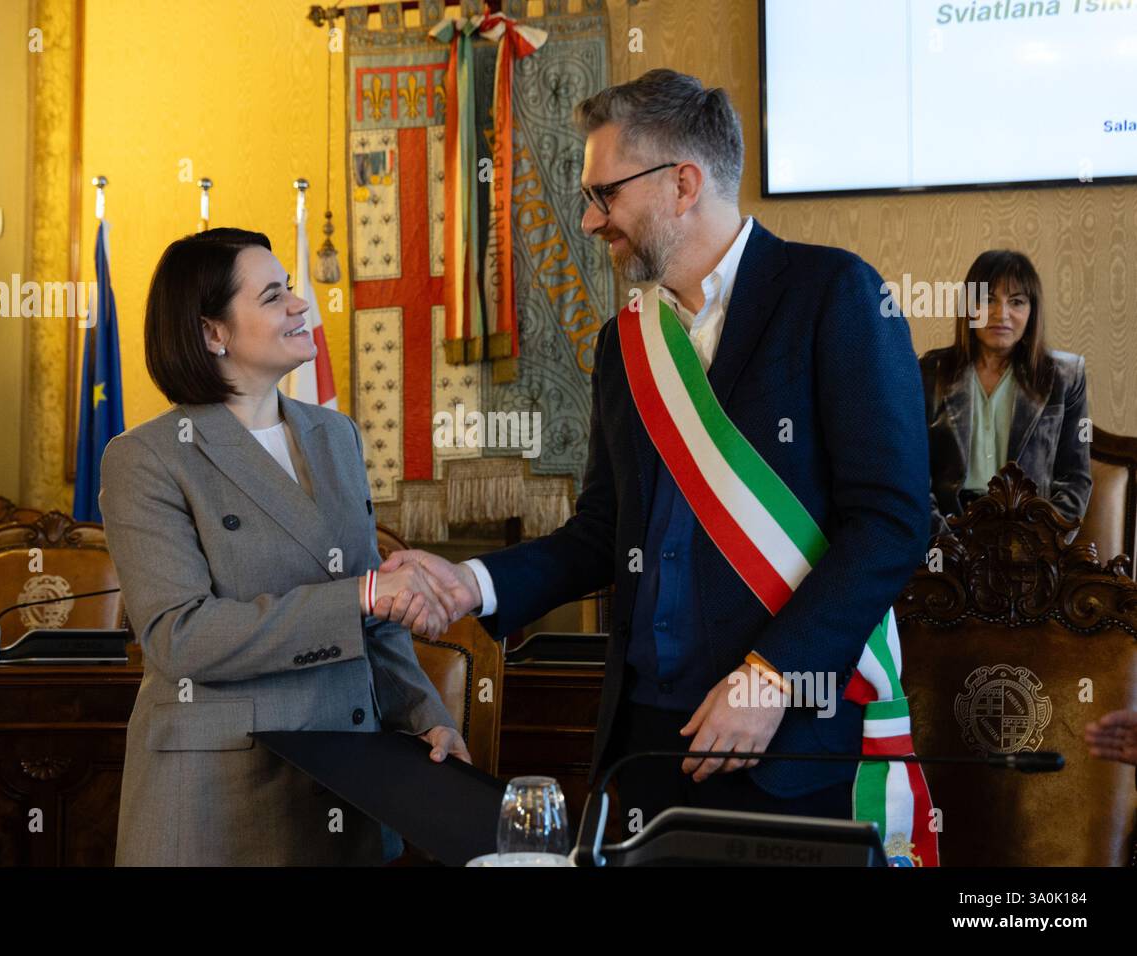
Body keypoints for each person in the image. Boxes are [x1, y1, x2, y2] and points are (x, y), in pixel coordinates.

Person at [380, 70, 931, 834]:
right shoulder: (624, 343)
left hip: (794, 747)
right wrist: (472, 582)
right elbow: (603, 532)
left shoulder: (833, 294)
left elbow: (893, 522)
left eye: (604, 194)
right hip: (642, 748)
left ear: (682, 183)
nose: (589, 219)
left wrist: (772, 681)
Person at [99, 227, 468, 866]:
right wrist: (359, 593)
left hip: (349, 779)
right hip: (222, 800)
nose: (300, 305)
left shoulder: (336, 436)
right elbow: (180, 638)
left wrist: (426, 717)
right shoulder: (145, 458)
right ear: (214, 333)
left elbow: (375, 617)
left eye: (290, 289)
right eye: (273, 296)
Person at [919, 250, 1091, 537]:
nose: (1001, 314)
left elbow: (1076, 479)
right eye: (987, 300)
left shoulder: (1066, 377)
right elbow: (915, 479)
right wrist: (946, 546)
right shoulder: (930, 373)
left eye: (1016, 301)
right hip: (950, 537)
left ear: (1031, 311)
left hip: (1030, 539)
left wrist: (1038, 546)